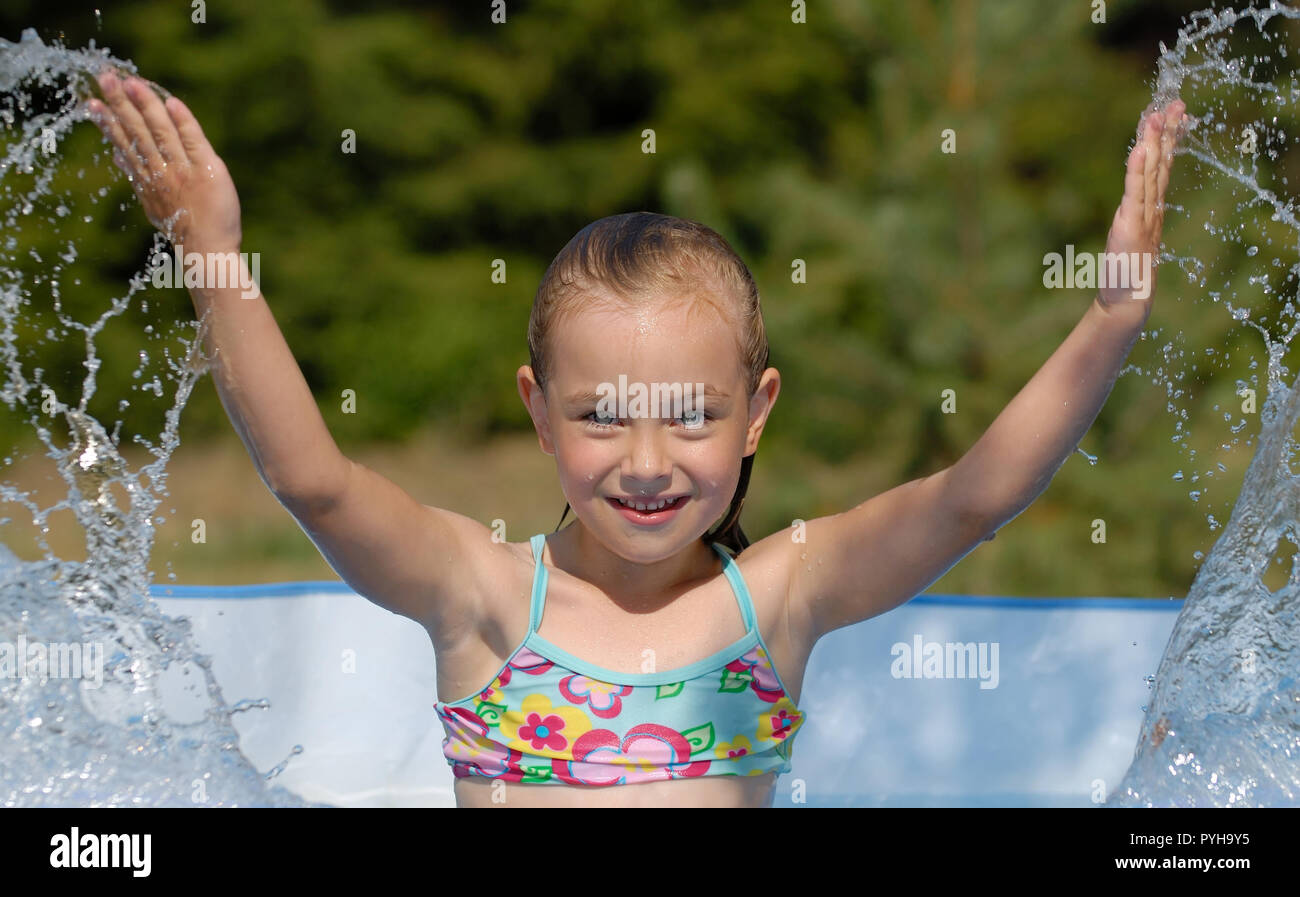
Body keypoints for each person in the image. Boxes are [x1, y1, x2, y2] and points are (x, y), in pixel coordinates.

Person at [86, 70, 1188, 808]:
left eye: (693, 417)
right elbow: (315, 484)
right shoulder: (480, 596)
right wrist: (214, 256)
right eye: (602, 414)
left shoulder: (782, 595)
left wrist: (1107, 319)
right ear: (537, 410)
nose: (648, 462)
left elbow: (971, 498)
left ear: (756, 411)